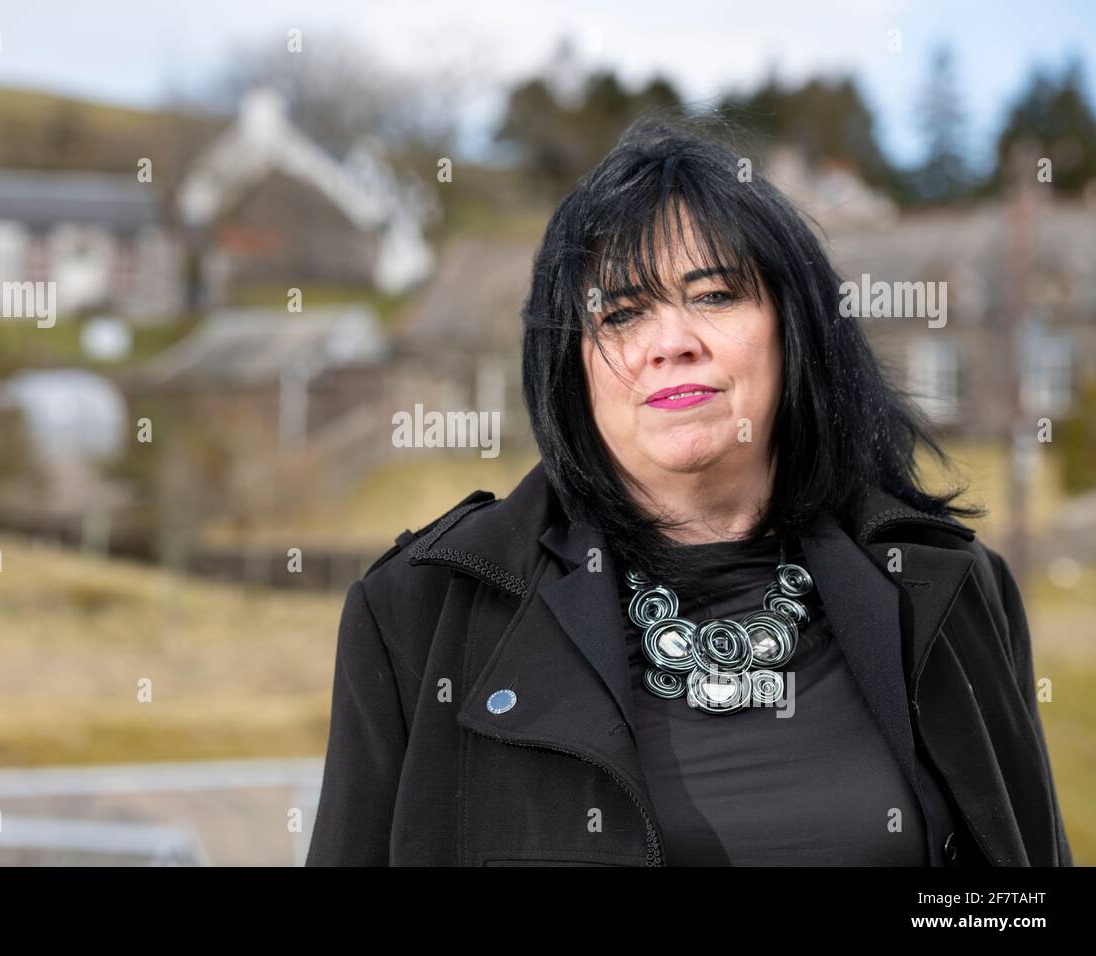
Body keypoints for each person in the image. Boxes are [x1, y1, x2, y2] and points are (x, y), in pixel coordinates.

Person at [304, 114, 1073, 867]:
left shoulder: (952, 591)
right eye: (623, 312)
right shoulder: (420, 617)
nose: (672, 343)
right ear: (569, 363)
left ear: (792, 326)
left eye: (713, 296)